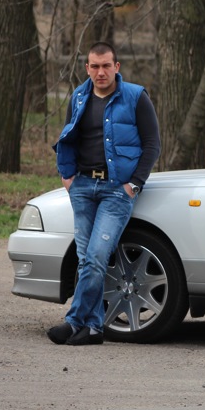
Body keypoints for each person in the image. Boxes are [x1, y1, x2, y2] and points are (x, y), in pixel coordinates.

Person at [47, 42, 161, 346]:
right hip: (83, 187)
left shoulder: (136, 97)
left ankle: (74, 322)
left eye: (106, 66)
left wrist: (133, 184)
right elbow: (68, 136)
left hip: (116, 191)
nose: (100, 72)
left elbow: (152, 145)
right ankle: (94, 328)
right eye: (94, 66)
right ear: (87, 68)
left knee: (96, 257)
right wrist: (67, 176)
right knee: (86, 260)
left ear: (116, 67)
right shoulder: (79, 96)